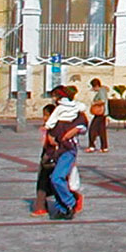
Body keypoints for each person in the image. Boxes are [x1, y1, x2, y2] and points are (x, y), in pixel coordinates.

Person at [43, 85, 87, 218]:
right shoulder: (57, 110)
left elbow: (83, 125)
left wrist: (75, 130)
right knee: (57, 179)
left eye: (55, 96)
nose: (54, 99)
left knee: (57, 178)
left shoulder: (76, 112)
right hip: (56, 150)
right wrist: (50, 136)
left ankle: (70, 202)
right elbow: (50, 126)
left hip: (68, 149)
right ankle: (62, 208)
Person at [86, 78, 109, 153]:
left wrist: (94, 103)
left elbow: (102, 100)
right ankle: (104, 147)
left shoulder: (101, 91)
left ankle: (92, 146)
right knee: (102, 131)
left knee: (92, 129)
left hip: (100, 113)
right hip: (103, 113)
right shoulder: (103, 90)